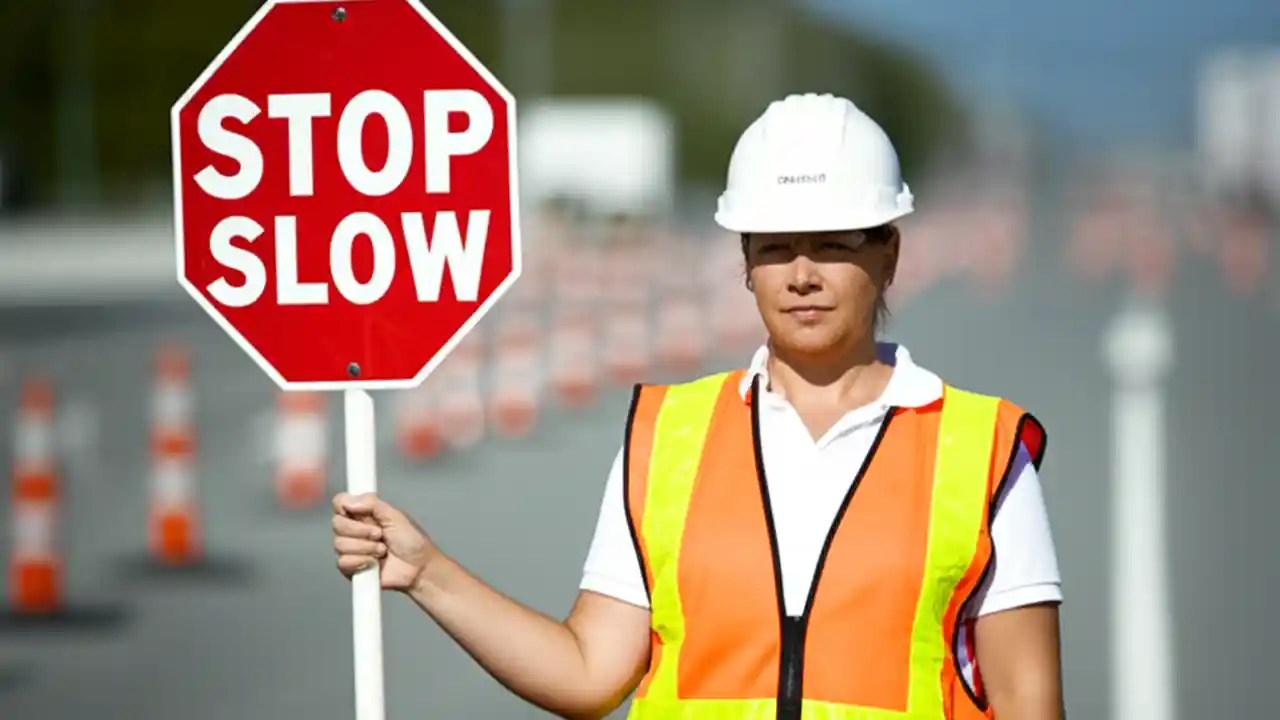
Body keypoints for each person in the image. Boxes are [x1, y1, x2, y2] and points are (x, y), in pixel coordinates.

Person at [331, 93, 1065, 719]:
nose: (801, 274)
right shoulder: (670, 435)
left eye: (832, 244)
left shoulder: (982, 451)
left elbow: (1029, 703)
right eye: (774, 246)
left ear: (888, 254)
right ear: (744, 262)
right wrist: (425, 571)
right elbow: (588, 671)